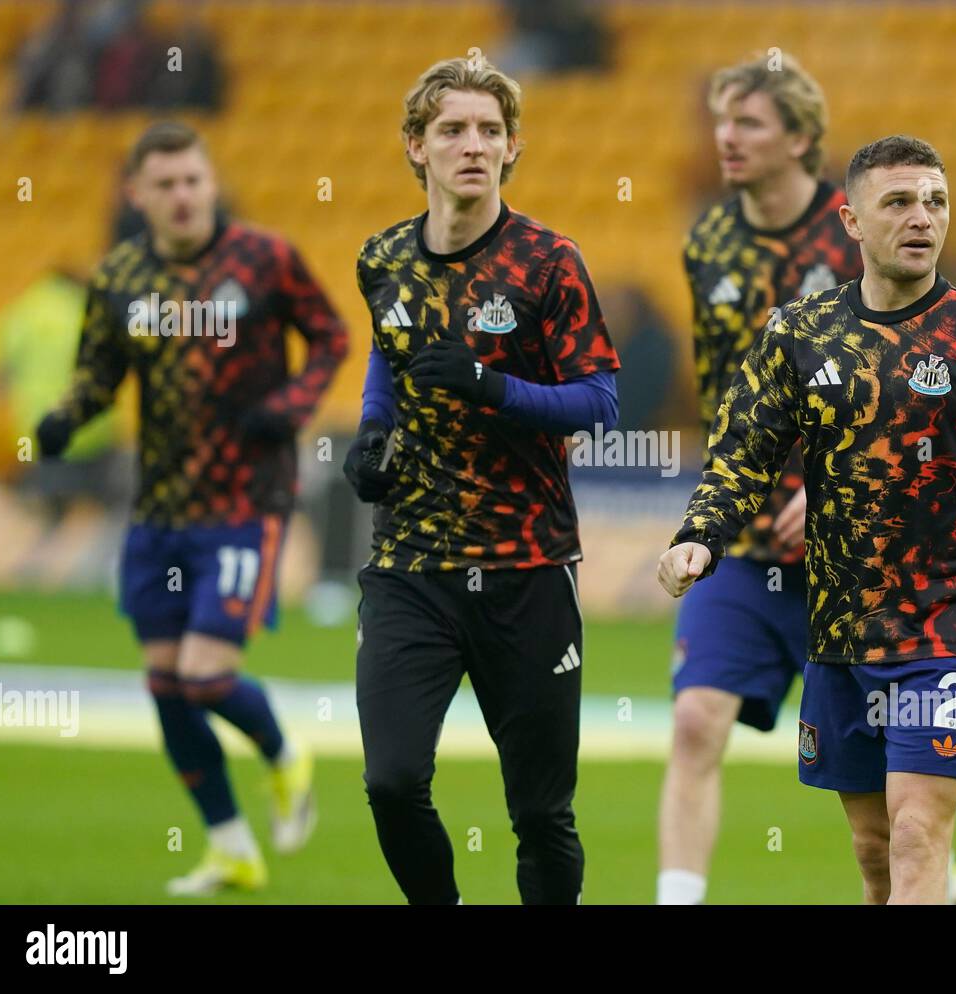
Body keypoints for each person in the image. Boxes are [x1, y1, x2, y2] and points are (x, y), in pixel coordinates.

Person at [658, 135, 956, 904]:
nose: (922, 218)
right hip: (842, 633)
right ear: (851, 220)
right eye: (899, 203)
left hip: (948, 631)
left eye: (935, 202)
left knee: (919, 829)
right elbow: (743, 452)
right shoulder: (798, 334)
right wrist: (700, 534)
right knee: (875, 848)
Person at [36, 121, 348, 896]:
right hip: (159, 507)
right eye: (164, 184)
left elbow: (333, 337)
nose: (181, 196)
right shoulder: (119, 279)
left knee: (205, 677)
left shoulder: (264, 260)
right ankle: (231, 845)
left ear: (212, 183)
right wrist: (65, 419)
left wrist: (291, 402)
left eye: (192, 180)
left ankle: (283, 754)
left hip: (245, 500)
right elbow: (97, 376)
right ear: (136, 195)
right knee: (165, 682)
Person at [343, 55, 620, 905]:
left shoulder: (549, 263)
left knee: (541, 814)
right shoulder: (382, 258)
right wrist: (370, 437)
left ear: (511, 150)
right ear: (415, 148)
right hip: (412, 566)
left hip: (527, 568)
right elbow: (390, 364)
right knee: (391, 781)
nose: (474, 145)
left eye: (490, 131)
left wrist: (494, 388)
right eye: (453, 130)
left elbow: (601, 403)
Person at [658, 52, 862, 906]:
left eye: (747, 123)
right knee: (696, 719)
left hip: (852, 541)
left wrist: (830, 480)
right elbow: (723, 396)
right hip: (745, 538)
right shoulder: (707, 239)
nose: (726, 139)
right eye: (721, 121)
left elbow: (895, 372)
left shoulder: (855, 232)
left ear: (801, 137)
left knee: (872, 789)